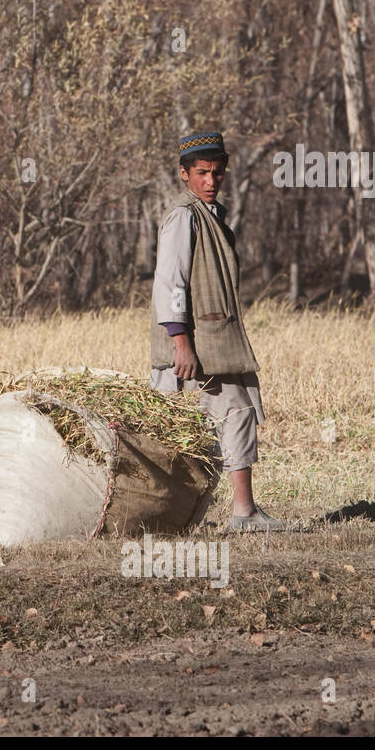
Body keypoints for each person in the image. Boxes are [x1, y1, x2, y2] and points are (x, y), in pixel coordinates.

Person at [150, 132, 286, 532]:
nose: (211, 181)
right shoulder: (183, 216)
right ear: (184, 174)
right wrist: (181, 343)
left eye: (217, 173)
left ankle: (242, 512)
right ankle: (206, 515)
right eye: (202, 173)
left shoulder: (211, 216)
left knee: (235, 416)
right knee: (186, 432)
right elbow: (169, 282)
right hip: (196, 348)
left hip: (218, 346)